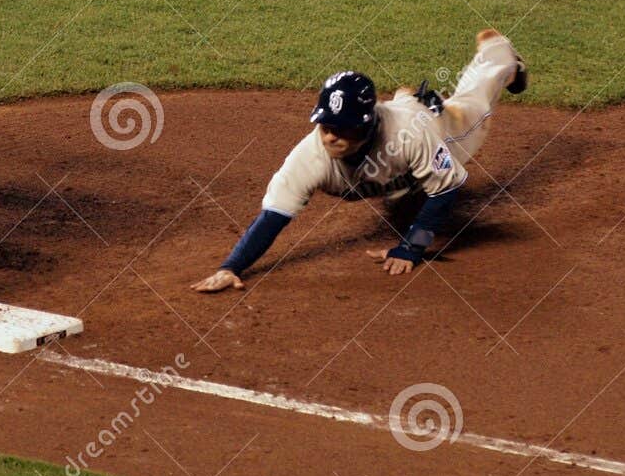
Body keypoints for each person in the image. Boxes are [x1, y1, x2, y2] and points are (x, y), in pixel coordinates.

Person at [191, 30, 527, 291]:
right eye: (326, 126)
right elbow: (271, 218)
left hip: (431, 125)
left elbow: (447, 187)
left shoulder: (410, 134)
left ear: (368, 124)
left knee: (473, 105)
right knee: (403, 198)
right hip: (396, 150)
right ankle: (404, 104)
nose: (331, 137)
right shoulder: (308, 159)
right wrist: (230, 267)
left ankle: (498, 54)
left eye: (344, 127)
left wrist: (412, 247)